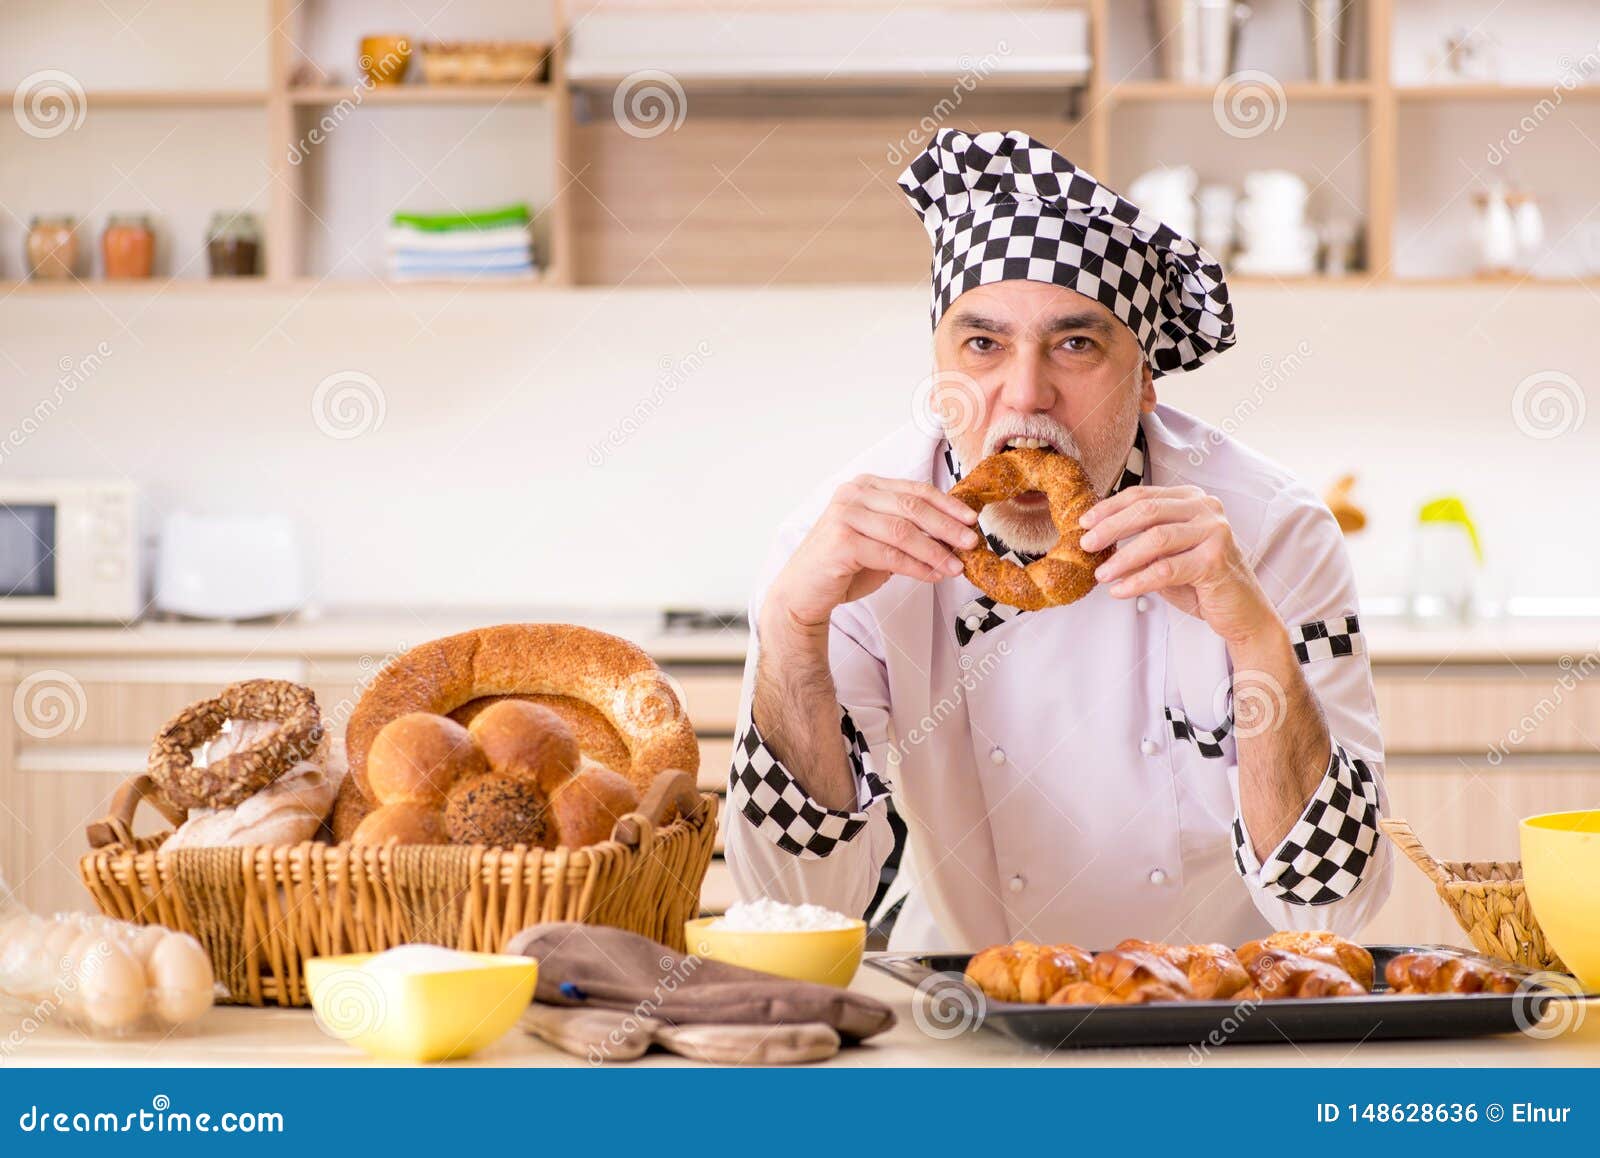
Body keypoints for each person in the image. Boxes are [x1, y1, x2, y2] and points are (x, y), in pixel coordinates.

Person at [724, 129, 1390, 950]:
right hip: (965, 1002)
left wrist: (1255, 642)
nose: (1026, 395)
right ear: (938, 373)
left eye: (1076, 344)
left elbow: (1334, 907)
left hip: (1220, 1008)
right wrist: (792, 631)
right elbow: (796, 895)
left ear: (1146, 377)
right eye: (983, 344)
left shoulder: (1271, 529)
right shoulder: (845, 544)